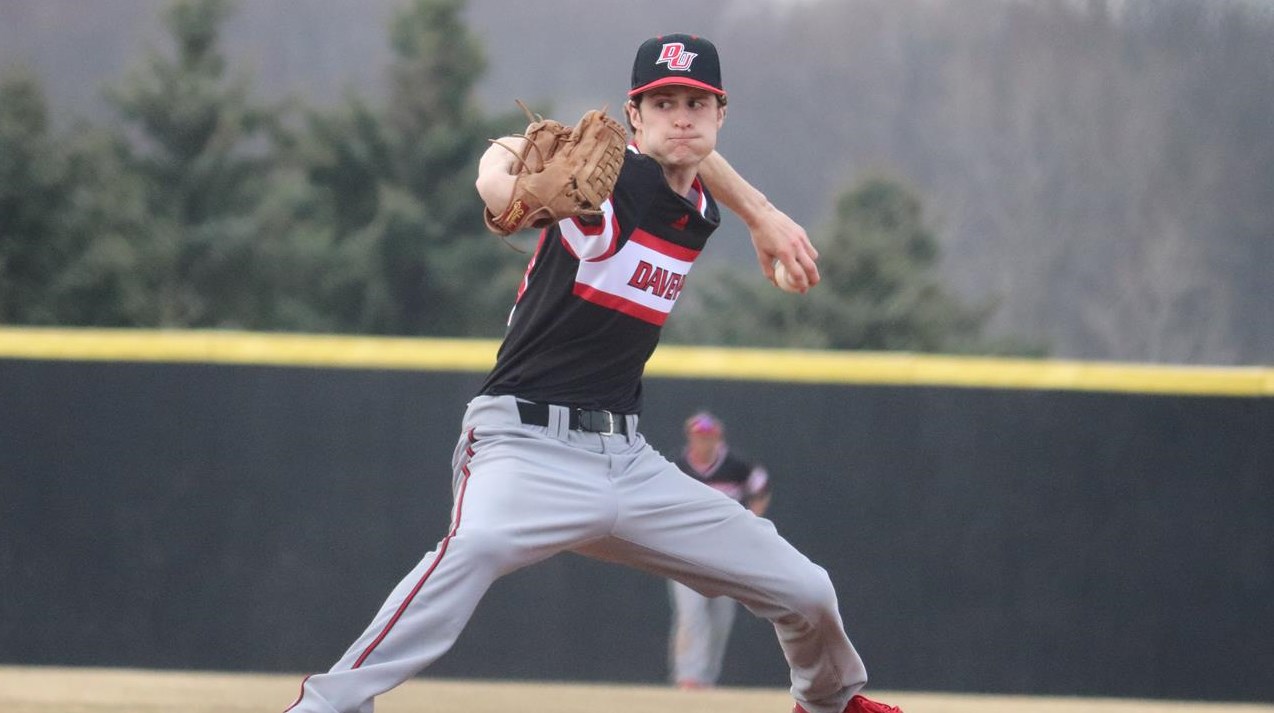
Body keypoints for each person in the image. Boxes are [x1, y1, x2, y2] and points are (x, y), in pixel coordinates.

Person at [283, 33, 901, 713]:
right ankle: (329, 704)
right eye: (662, 102)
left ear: (723, 114)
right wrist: (505, 182)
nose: (682, 115)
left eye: (697, 101)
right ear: (633, 117)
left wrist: (762, 213)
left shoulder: (695, 203)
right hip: (523, 444)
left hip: (627, 463)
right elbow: (502, 165)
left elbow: (694, 159)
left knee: (805, 587)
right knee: (474, 545)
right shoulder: (614, 187)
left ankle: (830, 701)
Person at [667, 411, 772, 690]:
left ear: (718, 437)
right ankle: (688, 676)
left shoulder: (735, 466)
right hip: (686, 551)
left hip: (727, 552)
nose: (704, 442)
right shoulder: (678, 466)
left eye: (709, 437)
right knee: (691, 614)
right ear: (690, 437)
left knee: (720, 618)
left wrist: (751, 520)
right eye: (699, 437)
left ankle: (707, 678)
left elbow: (760, 487)